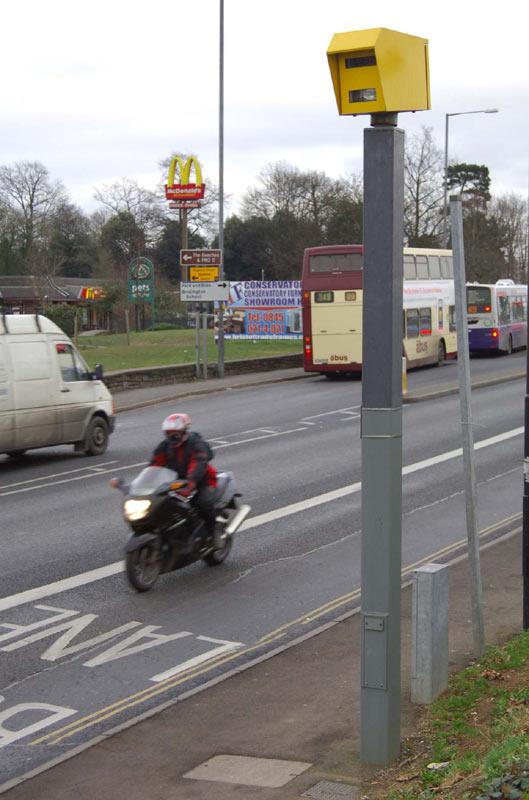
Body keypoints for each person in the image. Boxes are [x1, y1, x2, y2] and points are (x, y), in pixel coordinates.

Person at [150, 412, 217, 545]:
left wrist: (190, 483)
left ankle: (212, 534)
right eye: (168, 433)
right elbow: (155, 465)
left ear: (184, 431)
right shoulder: (165, 446)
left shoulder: (196, 443)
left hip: (201, 482)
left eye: (175, 433)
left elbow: (198, 463)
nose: (171, 437)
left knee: (203, 504)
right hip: (175, 484)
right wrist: (145, 485)